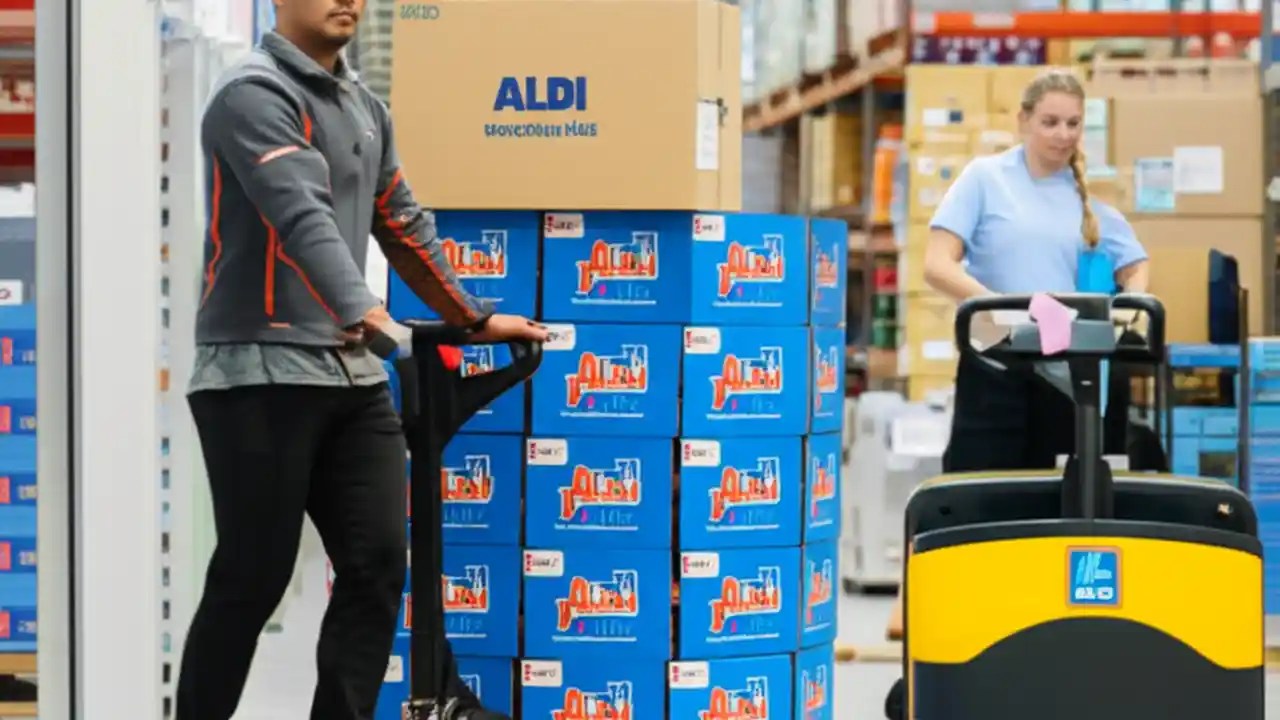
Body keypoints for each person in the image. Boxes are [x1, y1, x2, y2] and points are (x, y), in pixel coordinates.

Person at [174, 2, 547, 719]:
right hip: (259, 373)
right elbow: (299, 215)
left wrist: (469, 317)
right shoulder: (251, 95)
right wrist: (365, 311)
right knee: (253, 576)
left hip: (351, 374)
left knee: (376, 567)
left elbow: (402, 220)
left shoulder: (366, 108)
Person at [882, 68, 1151, 720]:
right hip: (998, 365)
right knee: (974, 507)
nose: (1061, 135)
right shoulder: (984, 179)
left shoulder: (1089, 201)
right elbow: (938, 263)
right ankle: (944, 663)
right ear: (1024, 121)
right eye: (1050, 122)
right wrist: (1013, 308)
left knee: (1054, 512)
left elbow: (1135, 262)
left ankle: (1038, 661)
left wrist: (1125, 308)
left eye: (1072, 125)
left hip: (1069, 379)